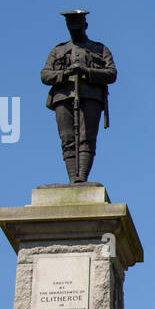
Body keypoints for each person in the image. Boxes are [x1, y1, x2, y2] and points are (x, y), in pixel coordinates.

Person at [41, 10, 116, 183]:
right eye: (71, 28)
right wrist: (64, 74)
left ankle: (82, 176)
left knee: (86, 138)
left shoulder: (100, 49)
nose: (74, 31)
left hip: (90, 97)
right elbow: (45, 75)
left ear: (85, 26)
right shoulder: (58, 50)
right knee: (67, 139)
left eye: (77, 27)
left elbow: (111, 73)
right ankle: (72, 179)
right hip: (63, 98)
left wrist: (87, 72)